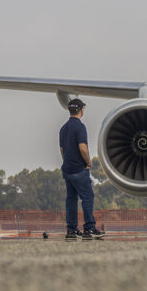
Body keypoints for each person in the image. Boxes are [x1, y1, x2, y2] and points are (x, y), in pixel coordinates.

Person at [59, 98, 104, 239]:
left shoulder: (63, 128)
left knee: (71, 199)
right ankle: (89, 228)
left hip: (67, 169)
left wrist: (67, 161)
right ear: (81, 110)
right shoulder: (80, 127)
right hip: (79, 169)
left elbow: (62, 149)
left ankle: (71, 230)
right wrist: (88, 161)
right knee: (87, 198)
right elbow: (82, 147)